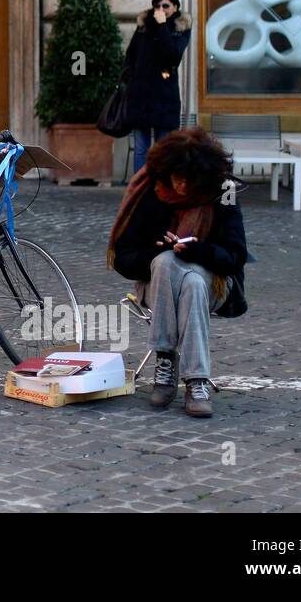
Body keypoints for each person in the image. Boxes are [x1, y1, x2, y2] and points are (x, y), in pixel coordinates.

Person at [107, 128, 249, 418]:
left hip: (214, 284)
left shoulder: (223, 192)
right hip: (155, 283)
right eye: (177, 178)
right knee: (165, 263)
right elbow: (124, 258)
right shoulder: (151, 191)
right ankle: (193, 378)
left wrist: (198, 251)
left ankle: (170, 364)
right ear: (166, 172)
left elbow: (236, 256)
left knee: (194, 280)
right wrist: (157, 251)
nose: (182, 186)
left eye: (190, 180)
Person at [124, 0, 191, 174]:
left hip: (165, 97)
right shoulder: (145, 25)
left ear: (175, 7)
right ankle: (138, 188)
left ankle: (160, 186)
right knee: (140, 149)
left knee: (164, 149)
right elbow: (130, 54)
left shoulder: (180, 27)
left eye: (166, 6)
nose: (161, 9)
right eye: (157, 6)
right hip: (141, 95)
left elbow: (172, 56)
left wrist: (162, 26)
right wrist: (131, 77)